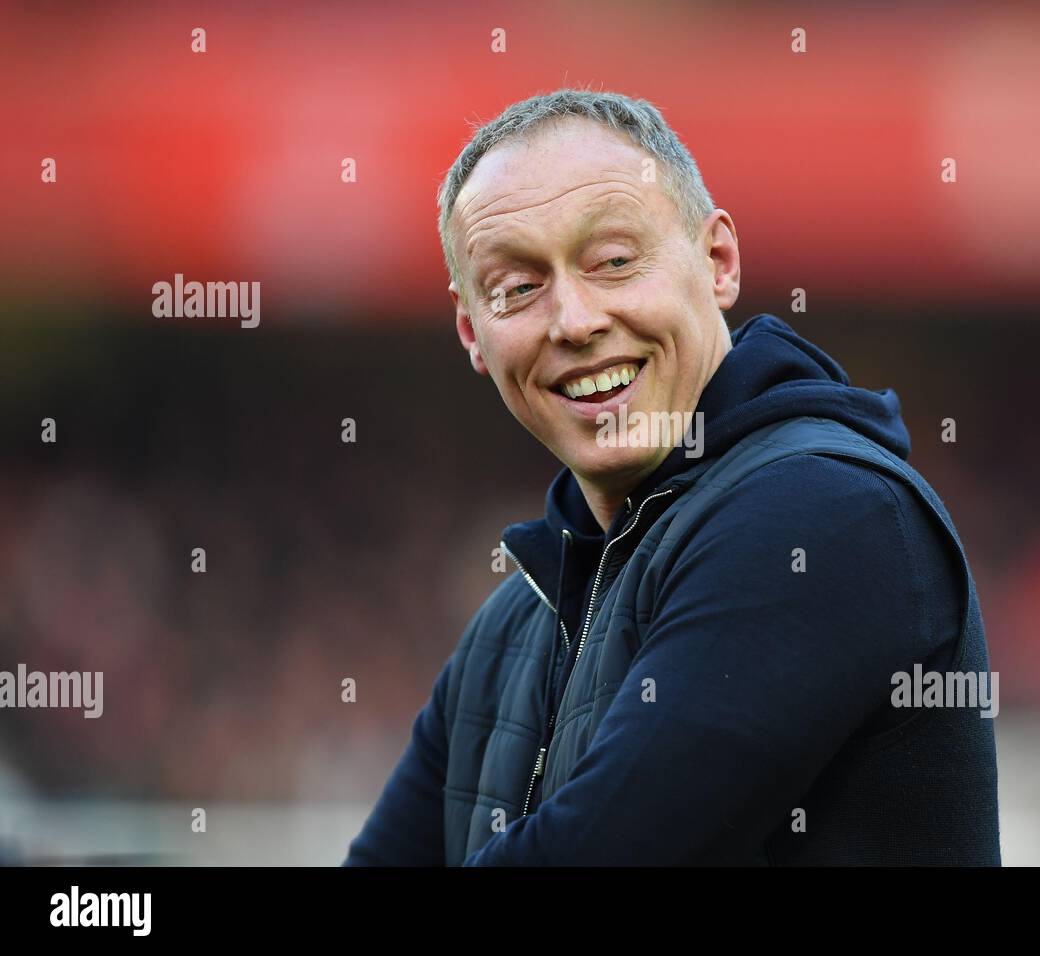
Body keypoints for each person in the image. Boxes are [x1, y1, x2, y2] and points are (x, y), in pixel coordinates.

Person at [343, 89, 1000, 866]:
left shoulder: (825, 515)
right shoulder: (514, 623)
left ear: (717, 261)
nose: (575, 320)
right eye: (517, 288)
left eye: (615, 262)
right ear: (472, 334)